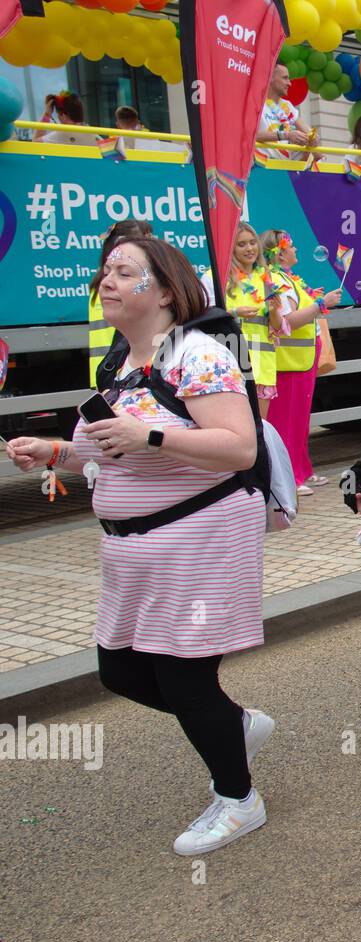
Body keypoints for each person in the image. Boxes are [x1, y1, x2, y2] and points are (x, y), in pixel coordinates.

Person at [6, 238, 272, 855]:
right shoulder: (120, 361)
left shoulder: (198, 353)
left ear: (166, 291)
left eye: (126, 272)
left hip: (200, 537)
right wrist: (55, 453)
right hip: (135, 549)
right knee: (120, 670)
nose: (108, 280)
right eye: (106, 272)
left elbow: (238, 448)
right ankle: (232, 726)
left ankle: (239, 798)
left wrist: (148, 434)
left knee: (183, 677)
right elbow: (105, 449)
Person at [262, 229, 342, 495]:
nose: (296, 250)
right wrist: (321, 303)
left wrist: (313, 298)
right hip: (288, 363)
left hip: (299, 361)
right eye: (292, 245)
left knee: (299, 422)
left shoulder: (288, 279)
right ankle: (289, 479)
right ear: (280, 252)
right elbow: (287, 322)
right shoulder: (277, 281)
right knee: (286, 422)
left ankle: (302, 471)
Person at [201, 222, 280, 416]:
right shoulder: (214, 277)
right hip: (229, 362)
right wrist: (235, 312)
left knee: (261, 429)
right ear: (230, 247)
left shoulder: (268, 278)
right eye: (242, 244)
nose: (250, 248)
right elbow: (203, 318)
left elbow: (277, 326)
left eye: (253, 242)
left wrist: (275, 311)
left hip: (262, 365)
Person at [88, 220, 154, 385]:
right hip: (120, 368)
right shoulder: (125, 286)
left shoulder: (101, 284)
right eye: (148, 240)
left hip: (105, 369)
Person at [257, 64, 313, 160]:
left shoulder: (287, 106)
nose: (289, 83)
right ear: (270, 77)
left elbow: (308, 134)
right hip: (262, 167)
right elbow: (250, 135)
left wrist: (311, 141)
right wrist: (286, 135)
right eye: (285, 78)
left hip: (284, 169)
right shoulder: (255, 102)